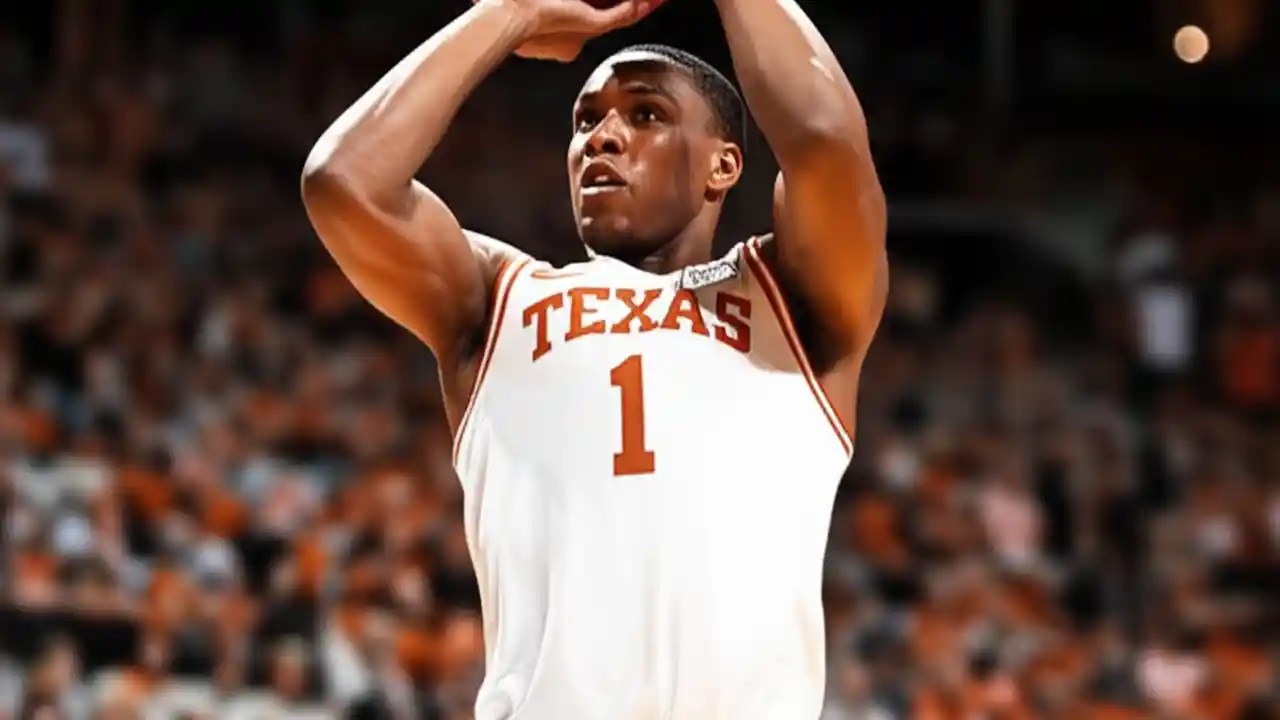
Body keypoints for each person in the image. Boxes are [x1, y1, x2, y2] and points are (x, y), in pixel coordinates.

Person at [301, 0, 886, 716]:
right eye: (586, 120)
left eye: (645, 115)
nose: (603, 137)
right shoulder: (496, 298)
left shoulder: (794, 297)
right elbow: (343, 181)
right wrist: (508, 11)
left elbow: (826, 142)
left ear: (723, 164)